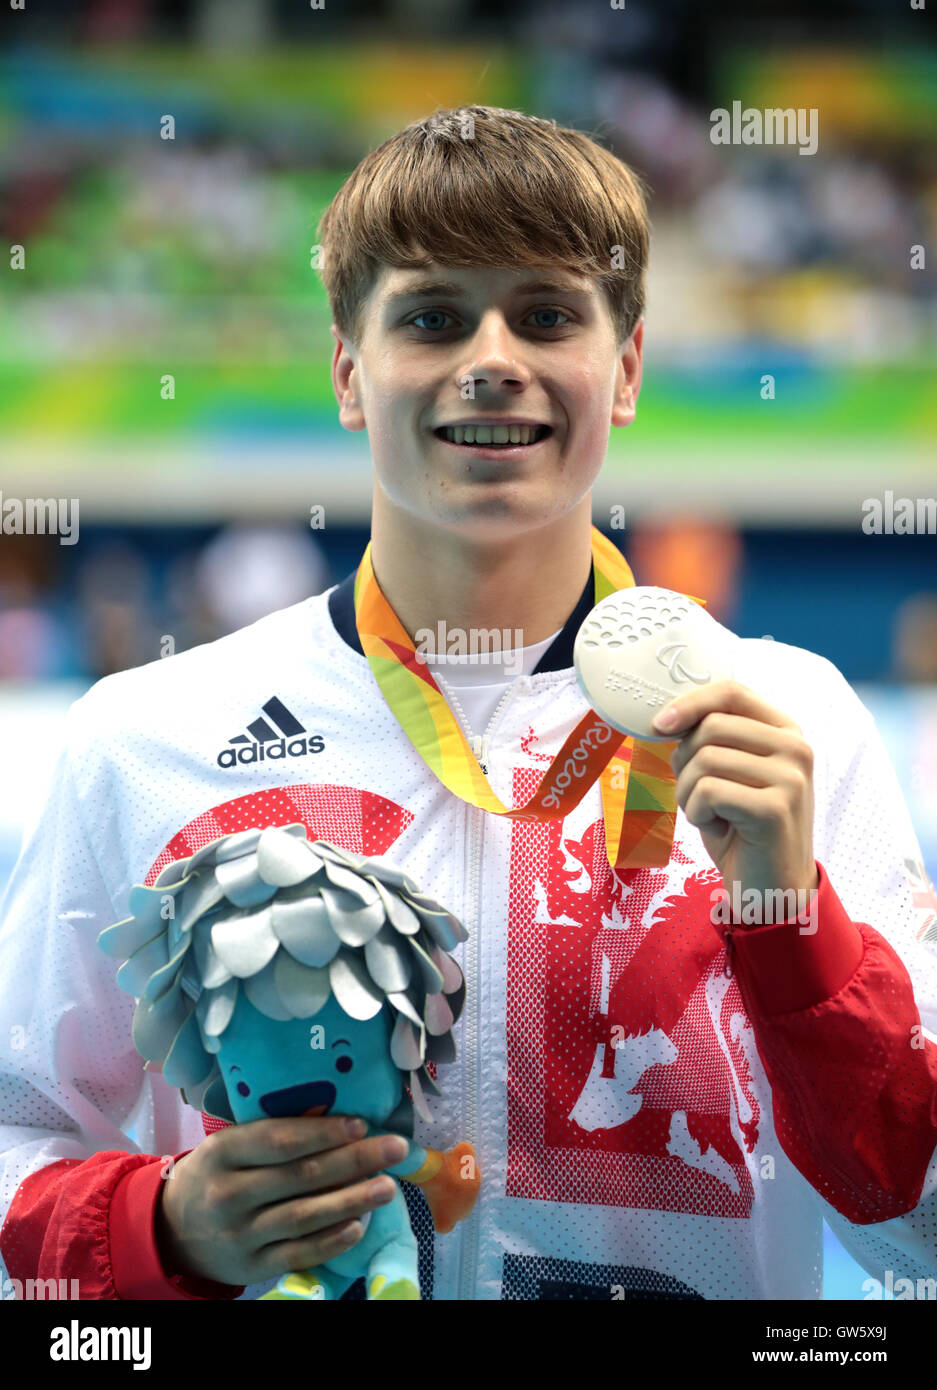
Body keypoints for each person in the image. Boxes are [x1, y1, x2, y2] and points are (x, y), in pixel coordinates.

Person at [2, 104, 937, 1301]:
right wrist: (160, 1226)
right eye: (432, 317)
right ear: (350, 373)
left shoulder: (789, 725)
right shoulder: (143, 740)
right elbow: (17, 1140)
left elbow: (915, 1238)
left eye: (546, 314)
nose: (491, 356)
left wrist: (791, 918)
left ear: (629, 368)